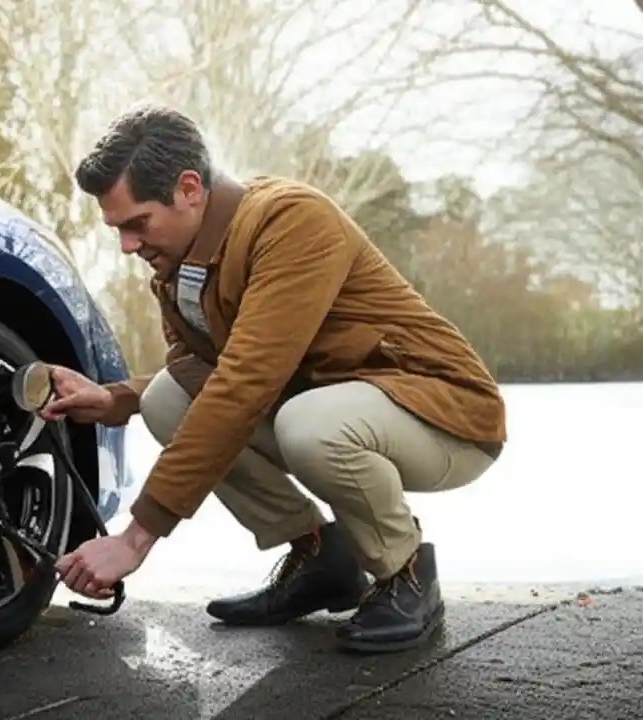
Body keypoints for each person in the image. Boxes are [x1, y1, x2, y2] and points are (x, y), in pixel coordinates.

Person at [45, 105, 507, 653]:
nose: (126, 245)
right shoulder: (181, 265)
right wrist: (119, 399)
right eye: (118, 229)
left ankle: (404, 572)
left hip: (444, 414)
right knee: (169, 400)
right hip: (334, 408)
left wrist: (137, 536)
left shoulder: (291, 222)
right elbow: (205, 371)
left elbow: (246, 381)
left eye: (136, 223)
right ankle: (321, 557)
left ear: (190, 188)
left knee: (308, 424)